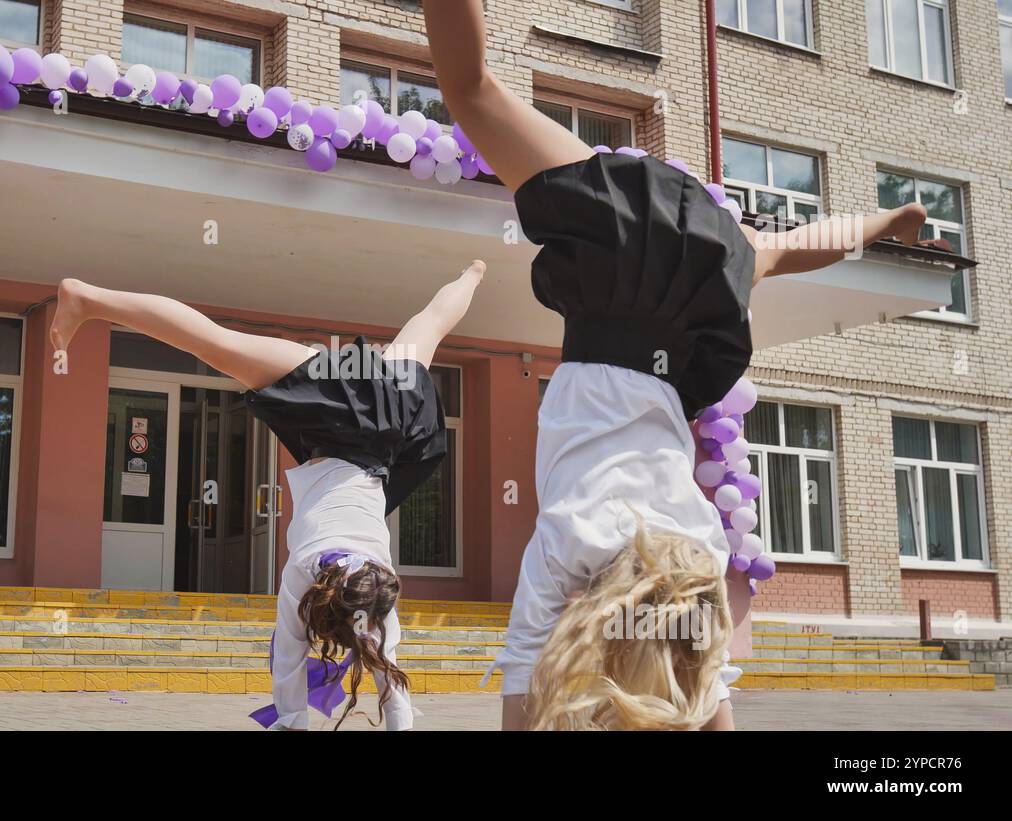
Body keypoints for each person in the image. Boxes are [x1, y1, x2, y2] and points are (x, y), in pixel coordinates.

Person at [420, 0, 944, 730]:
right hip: (621, 265)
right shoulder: (564, 546)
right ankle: (880, 224)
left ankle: (883, 222)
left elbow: (714, 697)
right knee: (473, 91)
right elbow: (519, 676)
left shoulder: (698, 554)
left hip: (693, 275)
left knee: (774, 252)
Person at [49, 261, 485, 729]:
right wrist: (292, 721)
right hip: (332, 419)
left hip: (389, 421)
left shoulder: (380, 588)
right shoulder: (305, 572)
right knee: (217, 345)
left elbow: (388, 678)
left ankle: (473, 275)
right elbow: (290, 656)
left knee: (428, 326)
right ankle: (88, 297)